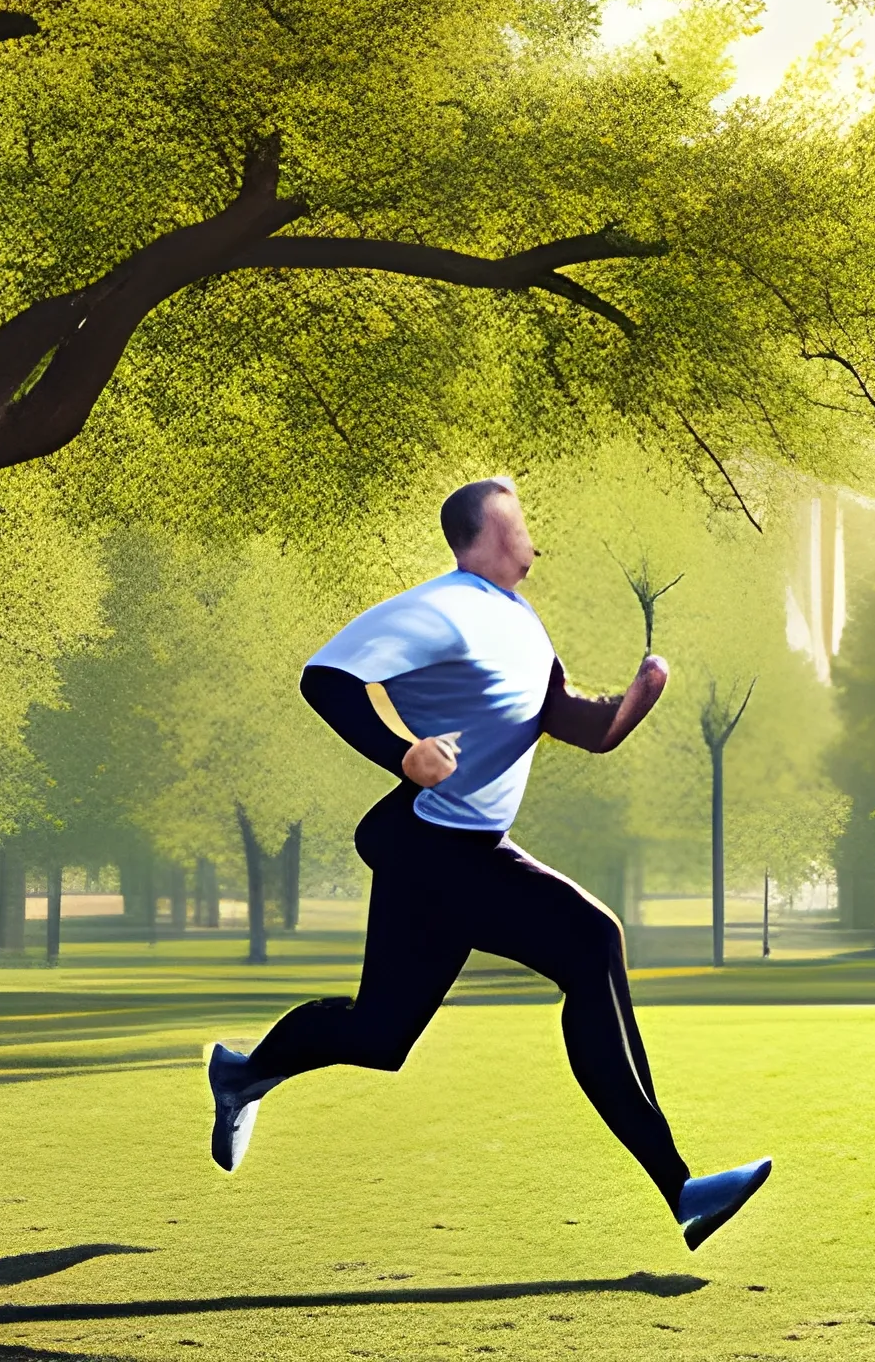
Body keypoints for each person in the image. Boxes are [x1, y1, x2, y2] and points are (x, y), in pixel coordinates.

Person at [205, 477, 771, 1252]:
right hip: (437, 844)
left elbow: (577, 723)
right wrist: (401, 754)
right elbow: (326, 678)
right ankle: (681, 1188)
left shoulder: (522, 624)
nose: (537, 541)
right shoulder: (437, 610)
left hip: (456, 850)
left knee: (379, 1035)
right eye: (526, 524)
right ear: (489, 530)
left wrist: (636, 699)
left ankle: (240, 1074)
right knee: (592, 942)